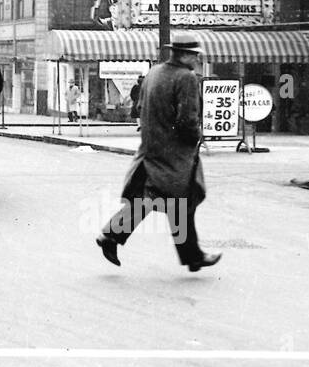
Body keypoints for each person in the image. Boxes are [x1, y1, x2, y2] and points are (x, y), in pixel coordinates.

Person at [95, 32, 221, 273]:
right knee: (169, 199)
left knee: (175, 202)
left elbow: (140, 108)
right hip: (175, 153)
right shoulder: (186, 78)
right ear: (183, 55)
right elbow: (187, 119)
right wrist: (196, 138)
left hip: (152, 147)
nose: (196, 60)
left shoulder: (155, 72)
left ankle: (192, 256)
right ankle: (110, 234)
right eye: (194, 55)